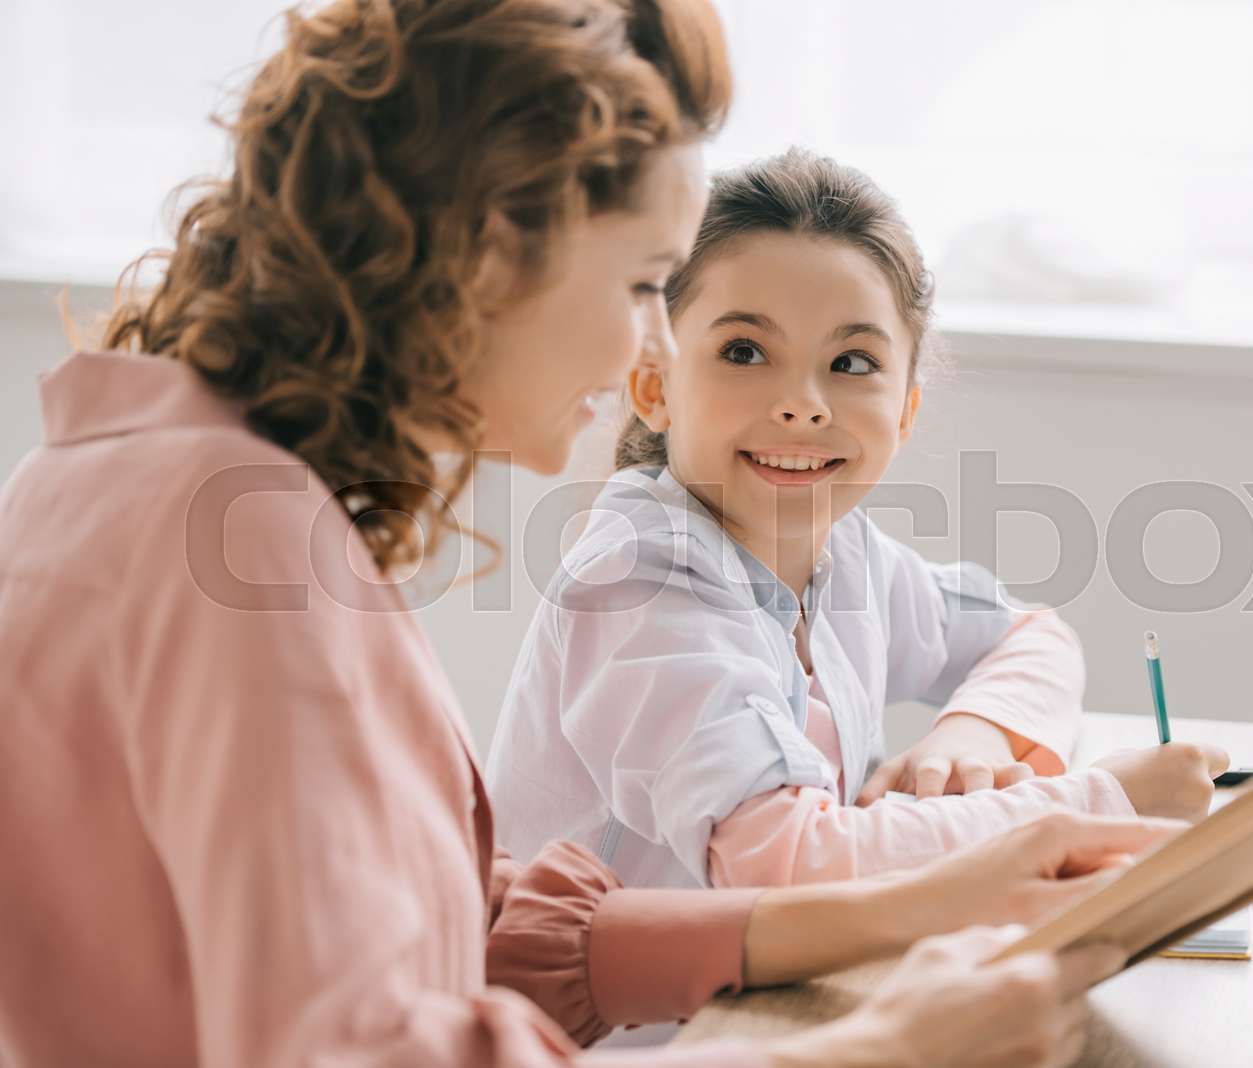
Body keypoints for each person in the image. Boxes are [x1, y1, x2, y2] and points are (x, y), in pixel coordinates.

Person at [0, 2, 1184, 1066]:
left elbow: (446, 926)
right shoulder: (241, 569)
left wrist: (904, 905)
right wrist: (872, 1051)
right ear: (480, 248)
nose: (648, 358)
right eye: (641, 286)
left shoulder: (135, 473)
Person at [487, 148, 1228, 891]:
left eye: (851, 363)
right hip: (629, 1013)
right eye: (744, 351)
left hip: (783, 997)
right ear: (654, 385)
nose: (804, 403)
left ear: (904, 411)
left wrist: (975, 730)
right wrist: (1102, 801)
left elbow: (1030, 635)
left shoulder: (847, 558)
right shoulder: (637, 584)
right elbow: (783, 861)